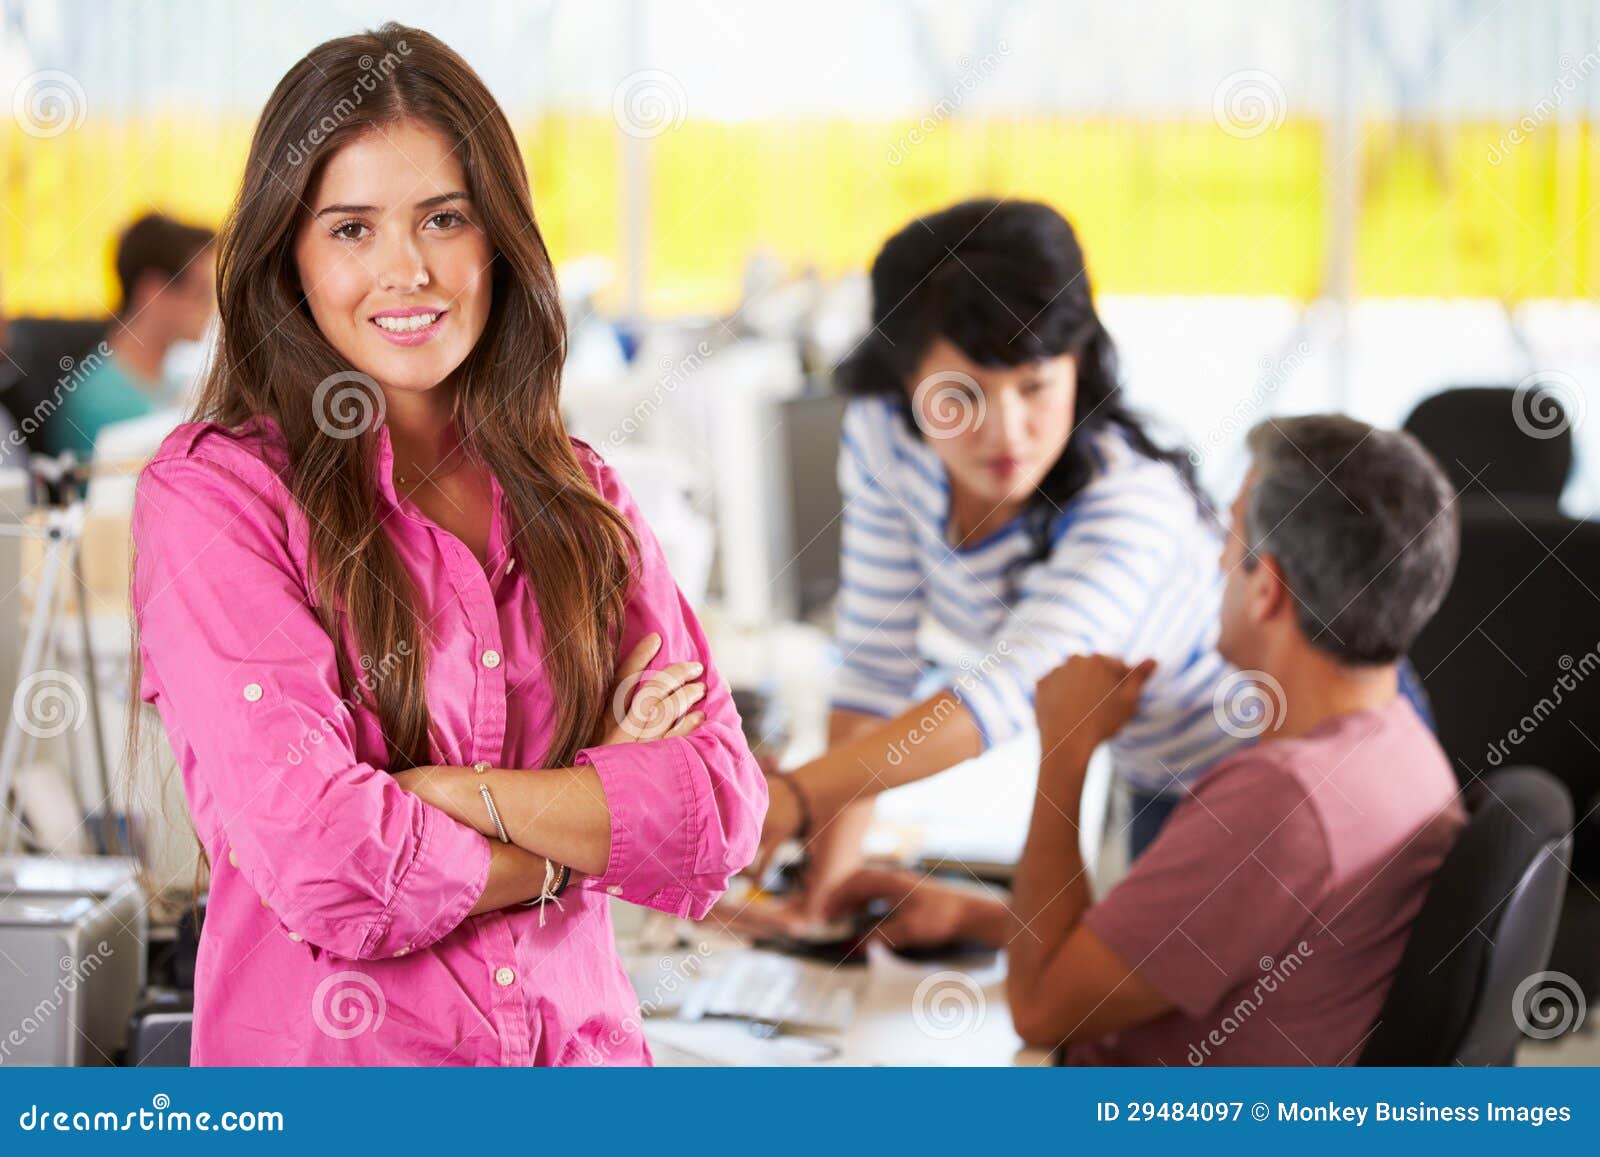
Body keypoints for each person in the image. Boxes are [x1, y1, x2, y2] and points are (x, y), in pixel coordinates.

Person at [127, 23, 765, 1066]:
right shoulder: (218, 496)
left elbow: (714, 814)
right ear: (288, 251)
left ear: (496, 238)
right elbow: (329, 859)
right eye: (350, 229)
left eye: (443, 218)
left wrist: (451, 795)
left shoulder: (579, 491)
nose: (406, 269)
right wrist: (573, 843)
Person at [828, 414, 1467, 1064]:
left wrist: (1067, 749)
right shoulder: (1404, 749)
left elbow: (1042, 1007)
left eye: (1231, 531)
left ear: (1267, 588)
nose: (1215, 556)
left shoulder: (1280, 801)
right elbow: (1207, 943)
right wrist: (983, 918)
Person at [756, 199, 1245, 917]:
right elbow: (872, 667)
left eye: (1036, 386)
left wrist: (791, 798)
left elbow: (1004, 693)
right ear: (904, 377)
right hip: (1140, 763)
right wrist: (822, 894)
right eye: (963, 394)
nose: (1006, 432)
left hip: (1237, 769)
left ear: (1079, 363)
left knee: (1142, 996)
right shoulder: (885, 433)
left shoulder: (1130, 503)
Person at [56, 212, 217, 457]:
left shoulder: (177, 380)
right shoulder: (98, 402)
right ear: (153, 292)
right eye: (201, 294)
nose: (211, 308)